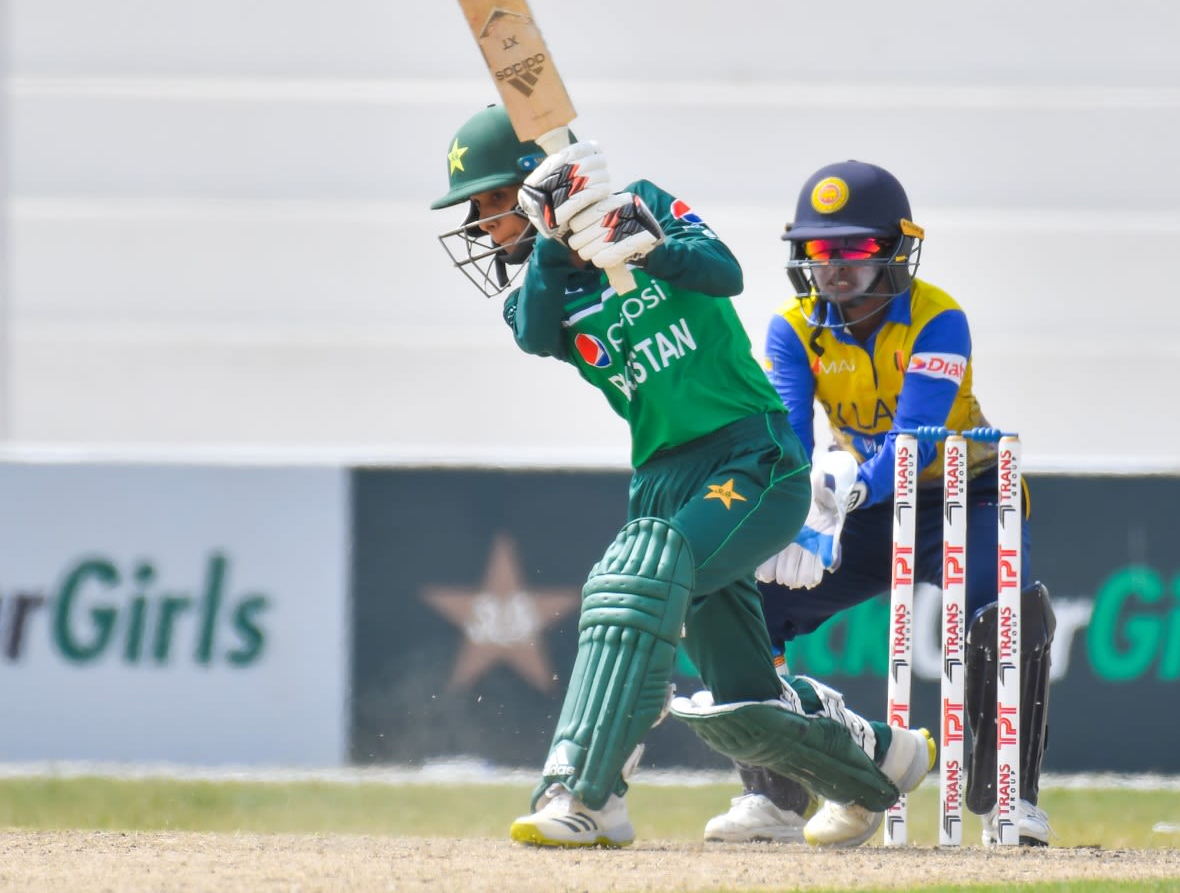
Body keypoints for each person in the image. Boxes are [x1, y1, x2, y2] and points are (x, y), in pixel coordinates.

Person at [428, 105, 936, 849]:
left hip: (750, 456)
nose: (478, 224)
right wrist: (555, 241)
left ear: (521, 181)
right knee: (744, 699)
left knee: (639, 579)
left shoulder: (642, 203)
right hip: (664, 477)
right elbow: (537, 334)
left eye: (483, 204)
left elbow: (723, 272)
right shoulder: (542, 287)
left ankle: (587, 794)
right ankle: (875, 762)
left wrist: (641, 237)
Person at [702, 159, 1056, 847]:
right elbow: (789, 435)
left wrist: (848, 485)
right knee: (748, 600)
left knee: (1002, 612)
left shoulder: (937, 317)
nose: (834, 267)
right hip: (856, 506)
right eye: (820, 250)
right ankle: (776, 795)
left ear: (895, 249)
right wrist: (790, 510)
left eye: (855, 249)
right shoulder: (795, 327)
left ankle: (1012, 801)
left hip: (965, 491)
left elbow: (918, 439)